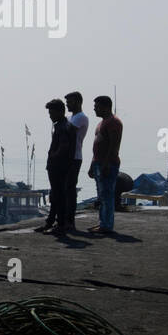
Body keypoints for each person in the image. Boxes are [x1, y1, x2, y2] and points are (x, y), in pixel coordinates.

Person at [37, 99, 76, 235]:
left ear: (60, 111)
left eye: (52, 113)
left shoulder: (63, 127)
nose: (50, 116)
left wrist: (53, 156)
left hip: (59, 167)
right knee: (55, 195)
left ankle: (60, 224)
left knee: (58, 195)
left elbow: (64, 146)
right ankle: (51, 222)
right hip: (61, 166)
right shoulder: (64, 125)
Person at [88, 95, 123, 234]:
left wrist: (107, 164)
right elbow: (97, 145)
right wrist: (92, 164)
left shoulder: (113, 122)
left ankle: (107, 225)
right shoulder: (101, 123)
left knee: (107, 195)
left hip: (107, 164)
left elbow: (114, 145)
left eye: (97, 106)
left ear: (106, 107)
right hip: (98, 162)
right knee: (102, 196)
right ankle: (103, 223)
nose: (95, 109)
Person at [64, 91, 90, 230]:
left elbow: (67, 130)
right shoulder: (70, 117)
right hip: (66, 157)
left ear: (78, 102)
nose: (68, 105)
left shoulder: (81, 117)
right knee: (64, 189)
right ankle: (64, 218)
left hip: (74, 156)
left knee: (70, 189)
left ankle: (70, 220)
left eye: (70, 102)